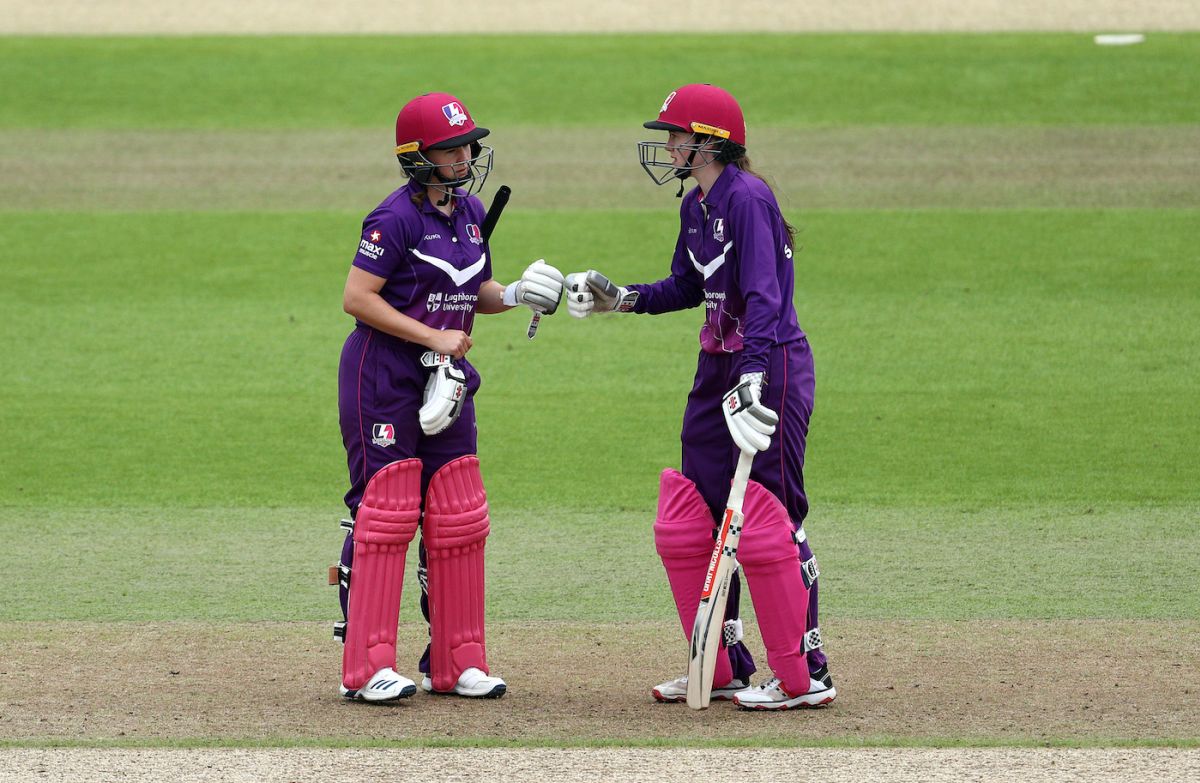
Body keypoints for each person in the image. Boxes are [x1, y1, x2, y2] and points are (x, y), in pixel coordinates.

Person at [565, 83, 834, 710]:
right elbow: (688, 285)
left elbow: (766, 296)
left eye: (675, 135)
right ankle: (726, 659)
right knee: (707, 513)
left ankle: (810, 668)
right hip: (717, 371)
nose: (667, 146)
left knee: (772, 516)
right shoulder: (698, 205)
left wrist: (753, 379)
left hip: (768, 367)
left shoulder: (748, 200)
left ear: (708, 140)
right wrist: (621, 298)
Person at [333, 92, 564, 702]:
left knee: (458, 511)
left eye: (467, 145)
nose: (465, 156)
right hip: (383, 375)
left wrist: (514, 294)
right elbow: (359, 298)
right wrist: (432, 335)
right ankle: (368, 666)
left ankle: (458, 659)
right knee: (386, 513)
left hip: (447, 377)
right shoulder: (393, 219)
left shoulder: (468, 211)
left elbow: (471, 291)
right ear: (417, 156)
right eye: (450, 148)